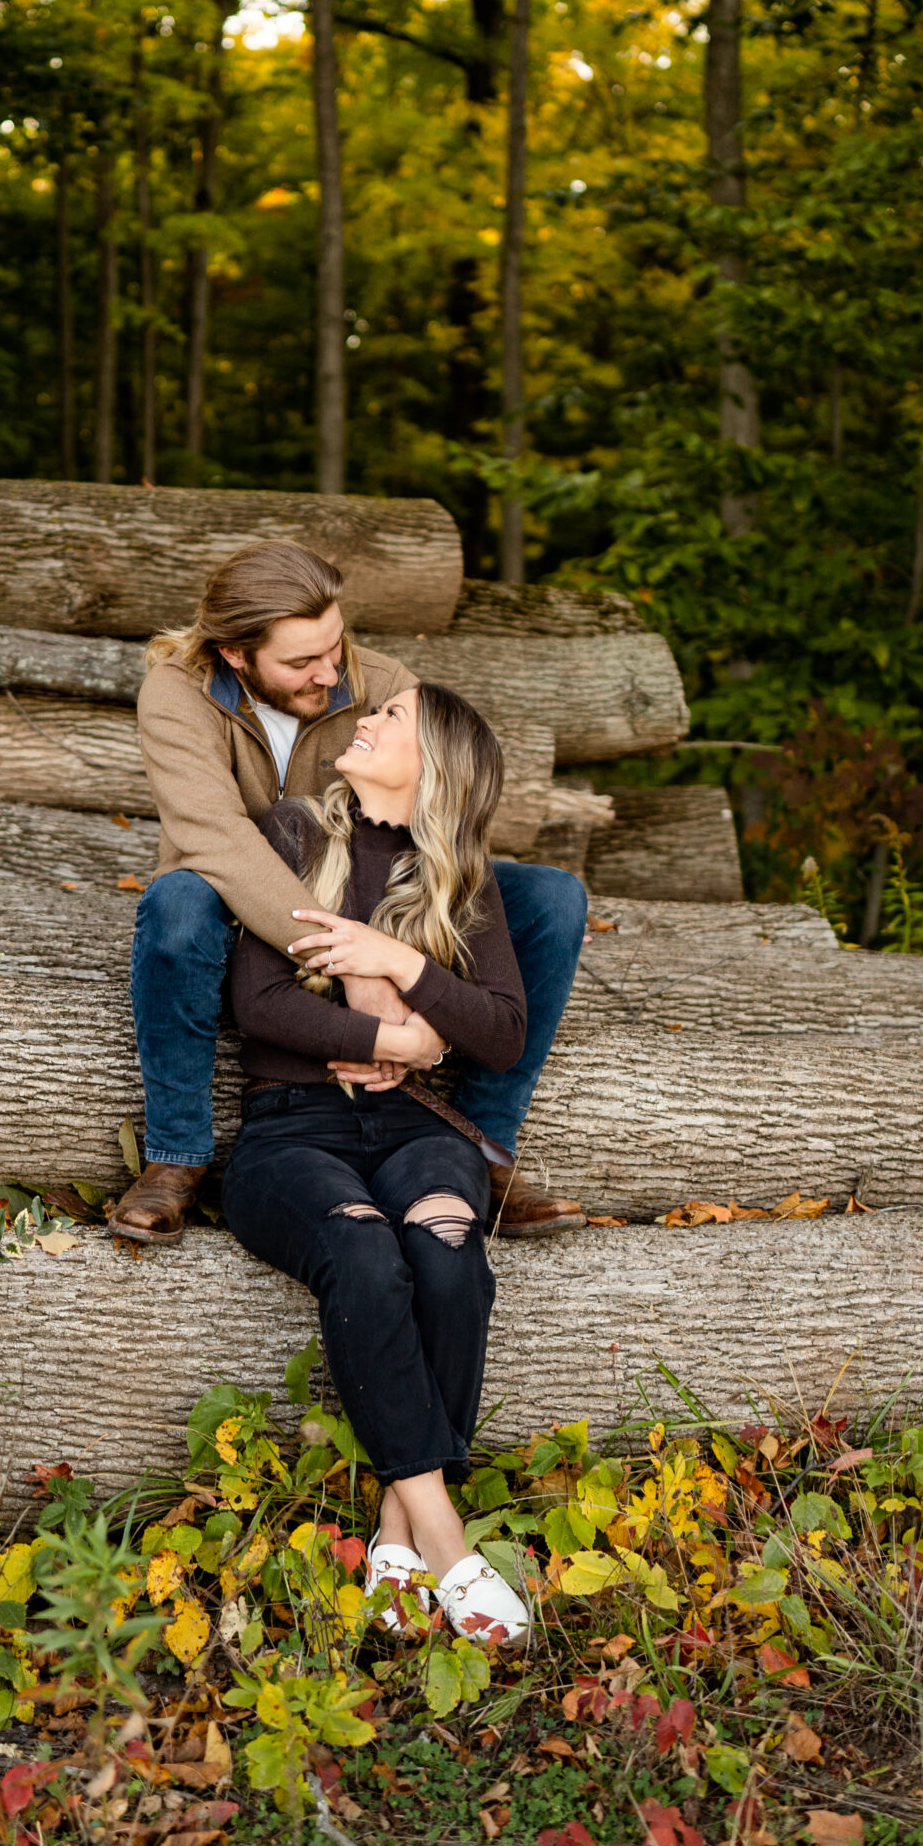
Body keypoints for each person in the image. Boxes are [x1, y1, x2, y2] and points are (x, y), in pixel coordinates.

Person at [105, 537, 593, 1245]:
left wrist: (414, 989)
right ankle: (175, 1156)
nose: (331, 673)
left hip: (374, 904)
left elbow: (440, 804)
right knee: (176, 903)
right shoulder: (178, 694)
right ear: (235, 654)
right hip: (237, 905)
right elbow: (216, 836)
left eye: (335, 645)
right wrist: (355, 966)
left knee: (551, 898)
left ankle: (484, 1148)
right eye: (302, 661)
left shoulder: (382, 681)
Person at [221, 679, 533, 1647]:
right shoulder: (291, 834)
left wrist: (396, 963)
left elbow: (503, 1031)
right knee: (362, 1253)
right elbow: (260, 1002)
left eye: (392, 716)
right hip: (291, 1128)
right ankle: (444, 1536)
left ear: (434, 763)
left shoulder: (461, 880)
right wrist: (393, 1038)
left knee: (446, 1247)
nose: (366, 720)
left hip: (414, 1131)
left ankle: (394, 1538)